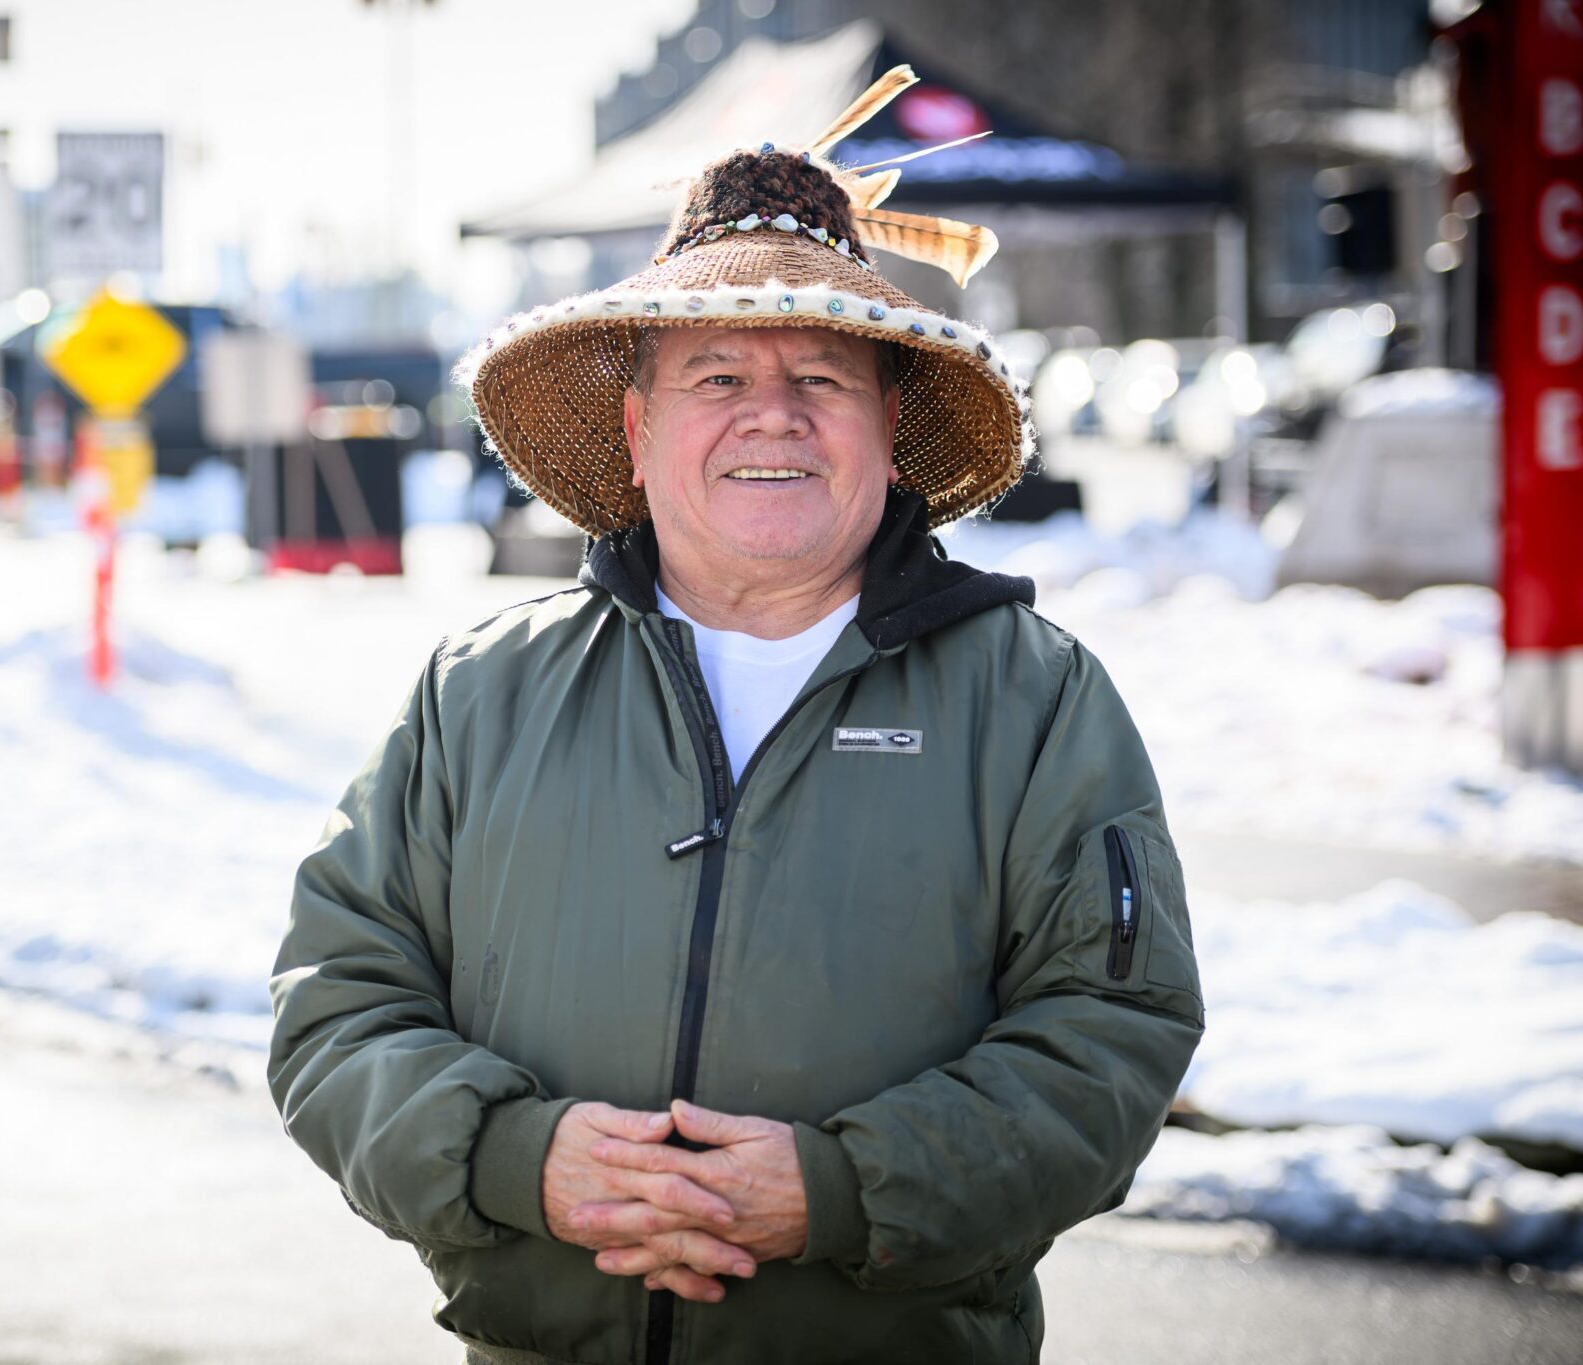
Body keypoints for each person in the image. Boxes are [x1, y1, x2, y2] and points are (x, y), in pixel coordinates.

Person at [269, 73, 1203, 1365]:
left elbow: (1111, 1037)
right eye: (717, 372)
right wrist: (509, 1156)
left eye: (823, 369)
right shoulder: (478, 693)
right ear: (641, 432)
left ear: (891, 426)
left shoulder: (1035, 700)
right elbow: (338, 1000)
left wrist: (841, 1187)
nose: (774, 411)